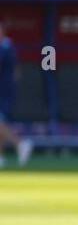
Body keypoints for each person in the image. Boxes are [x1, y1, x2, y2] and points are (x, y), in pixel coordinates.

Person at [0, 22, 34, 168]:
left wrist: (11, 88)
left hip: (4, 93)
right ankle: (1, 156)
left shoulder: (7, 47)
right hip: (5, 92)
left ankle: (20, 144)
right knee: (1, 123)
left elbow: (16, 72)